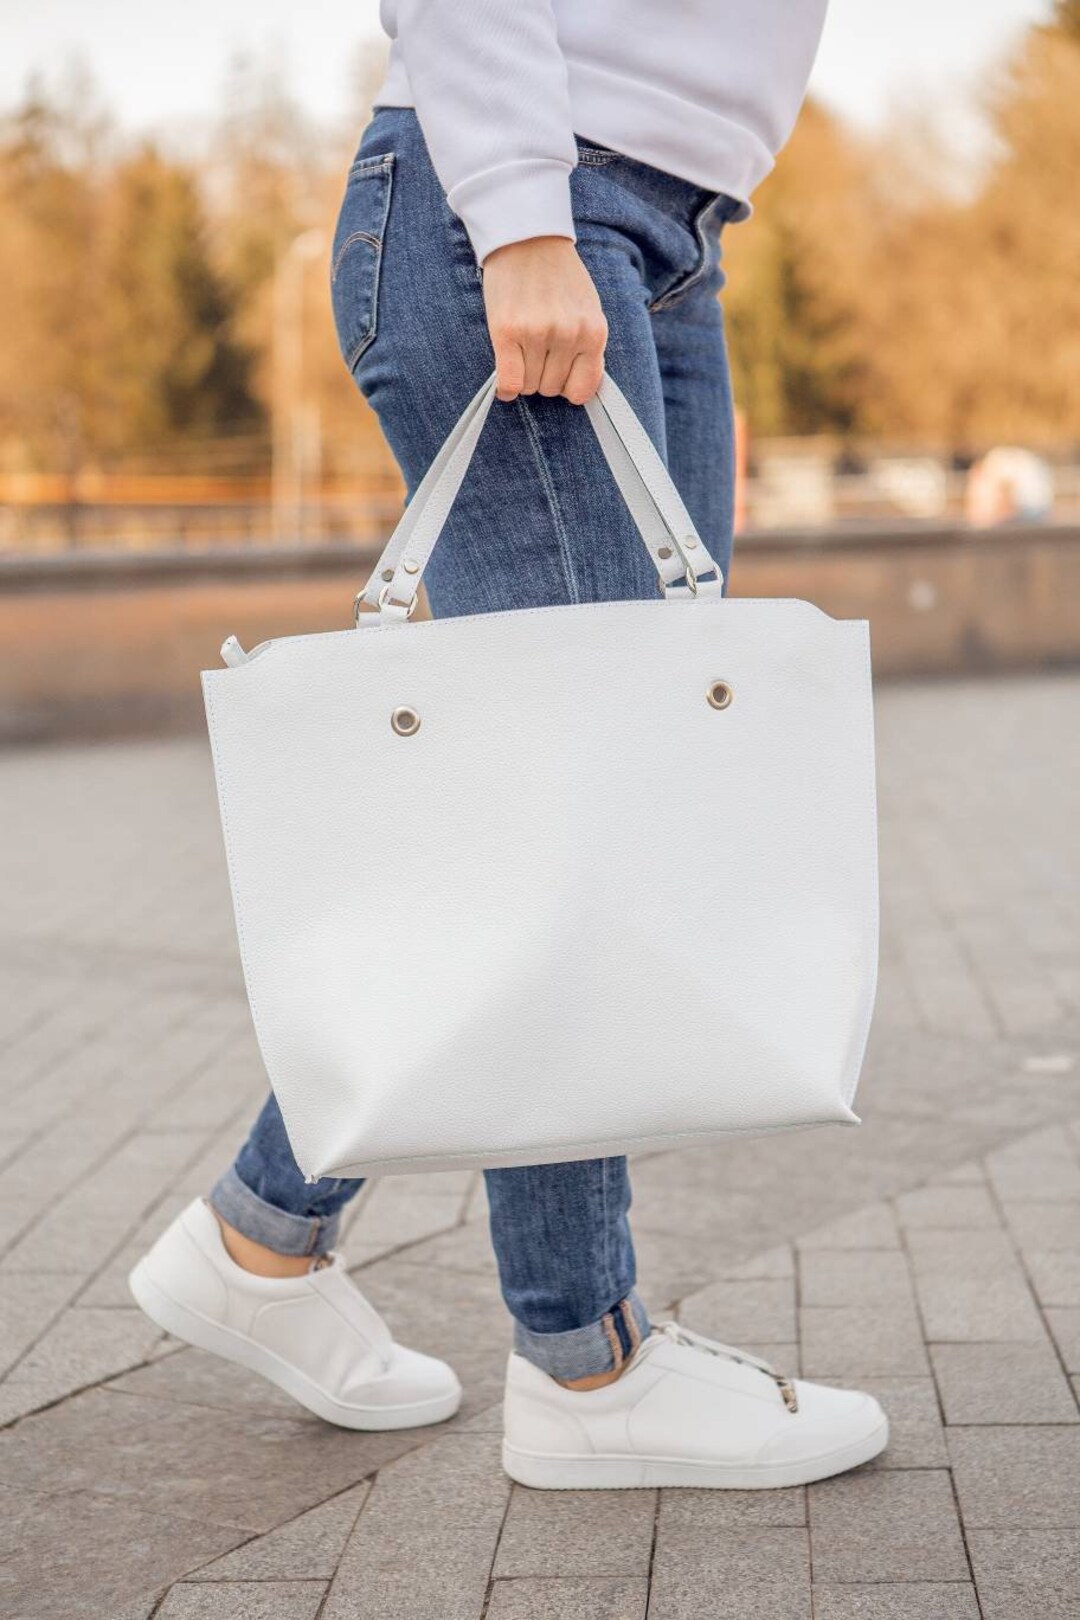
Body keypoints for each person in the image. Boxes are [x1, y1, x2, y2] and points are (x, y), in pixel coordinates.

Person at [131, 0, 889, 1489]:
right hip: (536, 195)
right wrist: (520, 213)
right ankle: (584, 1364)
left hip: (667, 228)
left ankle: (262, 1236)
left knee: (603, 803)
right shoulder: (526, 204)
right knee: (576, 813)